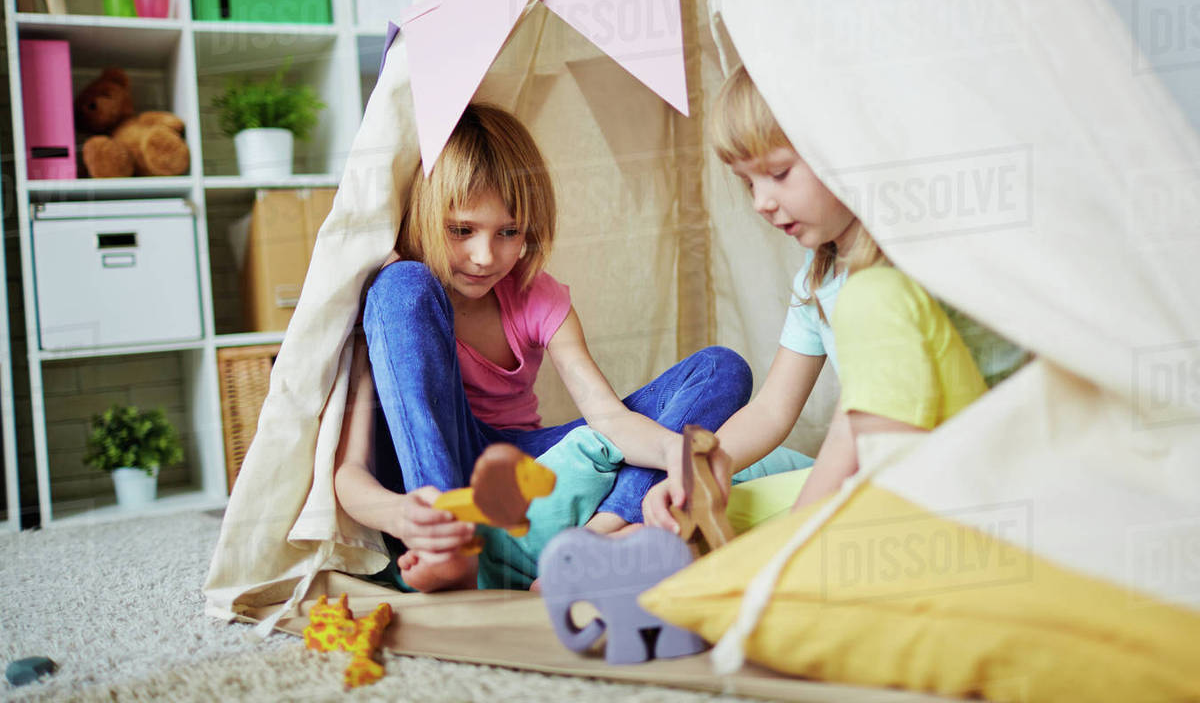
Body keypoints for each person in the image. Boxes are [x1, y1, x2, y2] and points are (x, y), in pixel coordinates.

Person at [334, 103, 751, 592]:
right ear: (425, 215)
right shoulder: (396, 302)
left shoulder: (537, 295)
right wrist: (402, 514)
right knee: (401, 283)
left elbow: (609, 420)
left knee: (722, 368)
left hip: (518, 459)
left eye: (508, 232)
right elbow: (349, 474)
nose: (486, 256)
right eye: (461, 230)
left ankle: (601, 535)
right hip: (430, 464)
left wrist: (672, 451)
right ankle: (448, 544)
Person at [643, 66, 1026, 527]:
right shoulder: (817, 278)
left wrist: (802, 535)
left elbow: (856, 425)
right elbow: (771, 408)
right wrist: (711, 466)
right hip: (885, 464)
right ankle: (636, 544)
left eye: (779, 173)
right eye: (748, 183)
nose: (761, 201)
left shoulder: (905, 267)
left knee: (792, 522)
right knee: (734, 506)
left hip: (964, 476)